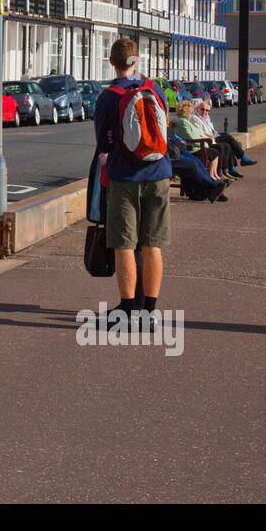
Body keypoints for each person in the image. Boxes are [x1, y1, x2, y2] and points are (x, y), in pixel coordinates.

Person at [93, 38, 171, 324]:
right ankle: (149, 310)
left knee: (124, 243)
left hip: (124, 177)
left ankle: (128, 308)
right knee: (153, 244)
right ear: (136, 61)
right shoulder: (155, 90)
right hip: (159, 173)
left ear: (112, 62)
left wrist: (108, 157)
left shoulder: (108, 97)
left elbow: (103, 144)